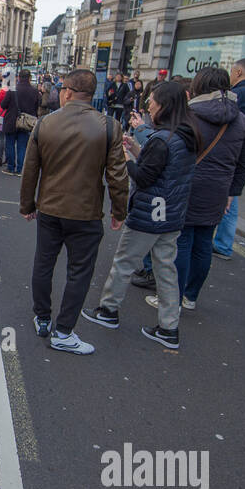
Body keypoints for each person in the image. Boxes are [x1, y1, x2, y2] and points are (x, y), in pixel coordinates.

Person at [82, 81, 200, 350]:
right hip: (172, 214)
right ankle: (169, 327)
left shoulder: (162, 140)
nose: (148, 105)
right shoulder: (184, 135)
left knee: (125, 261)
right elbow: (165, 170)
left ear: (165, 105)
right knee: (165, 270)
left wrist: (126, 159)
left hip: (150, 213)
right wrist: (137, 149)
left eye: (152, 101)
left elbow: (146, 177)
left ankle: (108, 311)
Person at [20, 69, 129, 354]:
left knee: (44, 264)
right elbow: (118, 175)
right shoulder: (109, 126)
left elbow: (30, 170)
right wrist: (120, 210)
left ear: (67, 92)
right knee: (79, 272)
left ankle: (42, 318)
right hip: (86, 212)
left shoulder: (45, 123)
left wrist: (27, 205)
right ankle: (64, 331)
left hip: (50, 210)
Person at [143, 67, 245, 313]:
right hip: (218, 189)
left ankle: (172, 298)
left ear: (198, 87)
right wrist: (232, 191)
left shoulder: (188, 116)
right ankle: (190, 296)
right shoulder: (242, 120)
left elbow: (167, 148)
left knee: (181, 242)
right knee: (204, 242)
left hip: (185, 185)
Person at [211, 57, 245, 259]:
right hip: (237, 151)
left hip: (234, 152)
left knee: (229, 198)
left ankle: (223, 244)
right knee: (229, 196)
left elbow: (243, 125)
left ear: (238, 72)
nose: (230, 75)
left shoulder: (242, 93)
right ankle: (222, 243)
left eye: (232, 71)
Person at [0, 69, 40, 176]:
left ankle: (10, 167)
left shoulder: (12, 90)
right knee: (22, 146)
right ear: (30, 78)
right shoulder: (35, 91)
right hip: (26, 122)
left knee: (10, 144)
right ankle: (20, 169)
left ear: (18, 77)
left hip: (11, 121)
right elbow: (37, 107)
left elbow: (3, 105)